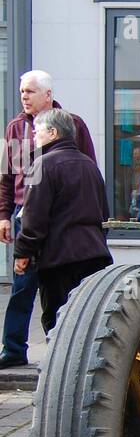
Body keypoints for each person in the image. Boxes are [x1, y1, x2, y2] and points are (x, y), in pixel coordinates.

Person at [0, 70, 97, 367]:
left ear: (48, 95)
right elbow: (6, 177)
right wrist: (4, 215)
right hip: (25, 213)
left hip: (61, 217)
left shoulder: (72, 124)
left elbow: (88, 167)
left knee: (61, 286)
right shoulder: (16, 127)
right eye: (21, 91)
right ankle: (14, 348)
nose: (23, 97)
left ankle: (64, 352)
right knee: (22, 286)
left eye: (29, 91)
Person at [12, 109, 112, 337]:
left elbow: (34, 217)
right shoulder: (90, 166)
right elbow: (103, 215)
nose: (34, 137)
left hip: (59, 260)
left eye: (37, 132)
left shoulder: (43, 165)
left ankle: (60, 374)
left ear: (53, 133)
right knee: (88, 326)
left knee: (59, 329)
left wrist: (23, 252)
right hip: (94, 256)